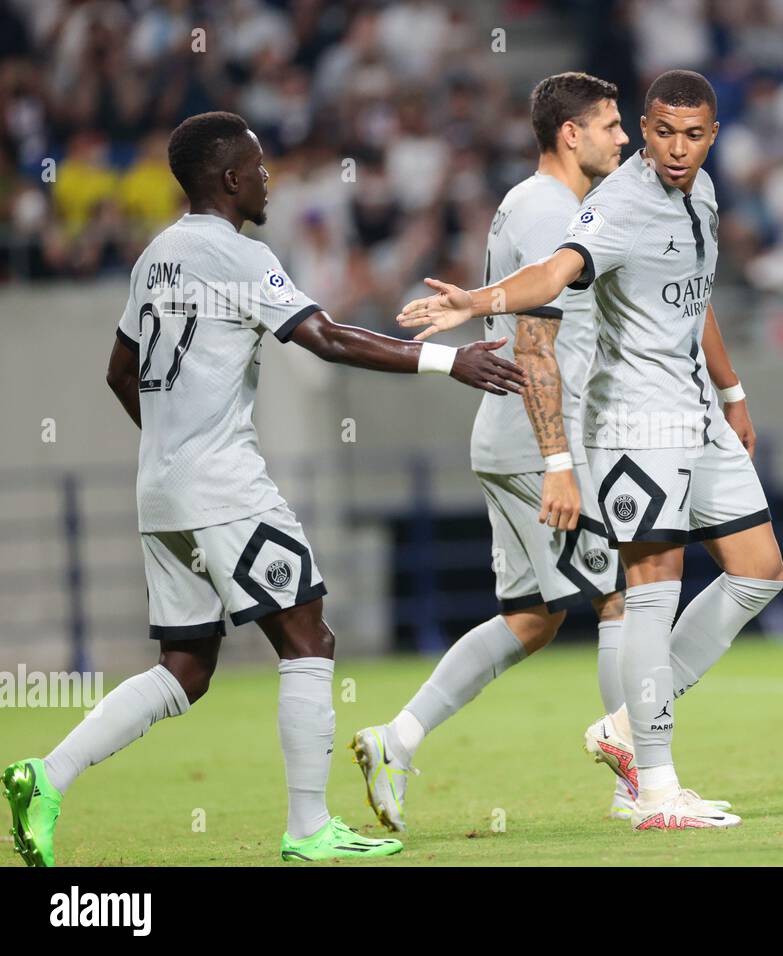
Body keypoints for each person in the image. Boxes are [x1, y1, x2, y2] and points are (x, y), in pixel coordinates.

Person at [0, 111, 525, 867]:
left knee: (185, 669)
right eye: (257, 166)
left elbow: (120, 371)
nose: (267, 176)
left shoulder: (155, 257)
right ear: (229, 178)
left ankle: (46, 776)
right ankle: (310, 829)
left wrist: (175, 445)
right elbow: (326, 336)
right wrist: (448, 362)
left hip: (162, 489)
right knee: (309, 637)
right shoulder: (237, 254)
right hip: (223, 483)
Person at [397, 70, 783, 831]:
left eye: (694, 134)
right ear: (645, 128)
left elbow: (693, 293)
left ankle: (623, 726)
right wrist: (478, 302)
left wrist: (732, 393)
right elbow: (556, 273)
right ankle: (657, 788)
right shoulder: (615, 203)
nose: (677, 148)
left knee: (760, 569)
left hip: (694, 415)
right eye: (662, 132)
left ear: (713, 134)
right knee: (647, 589)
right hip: (634, 421)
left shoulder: (701, 195)